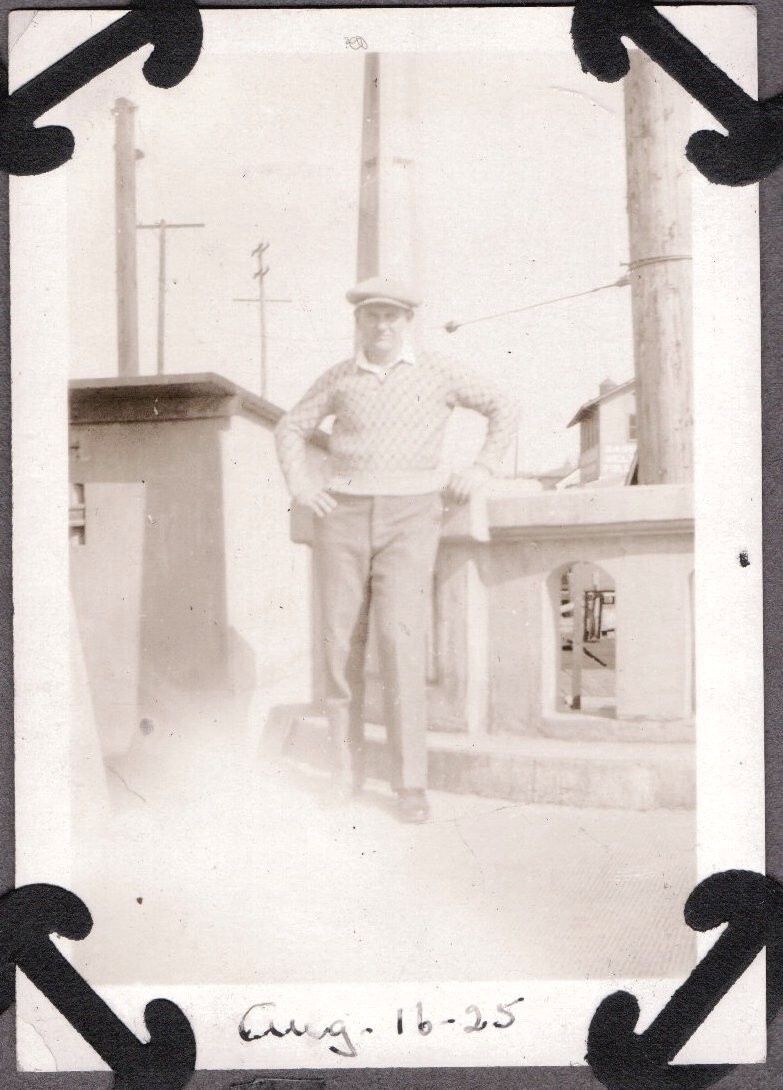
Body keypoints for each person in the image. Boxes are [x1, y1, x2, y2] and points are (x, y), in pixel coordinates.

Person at [275, 277, 519, 823]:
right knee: (339, 646)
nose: (382, 326)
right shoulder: (339, 378)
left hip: (412, 517)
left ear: (408, 321)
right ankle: (345, 771)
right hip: (341, 516)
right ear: (358, 322)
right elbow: (290, 427)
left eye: (392, 316)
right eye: (372, 316)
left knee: (400, 642)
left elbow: (504, 406)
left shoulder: (439, 372)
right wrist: (301, 486)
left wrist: (480, 469)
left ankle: (410, 784)